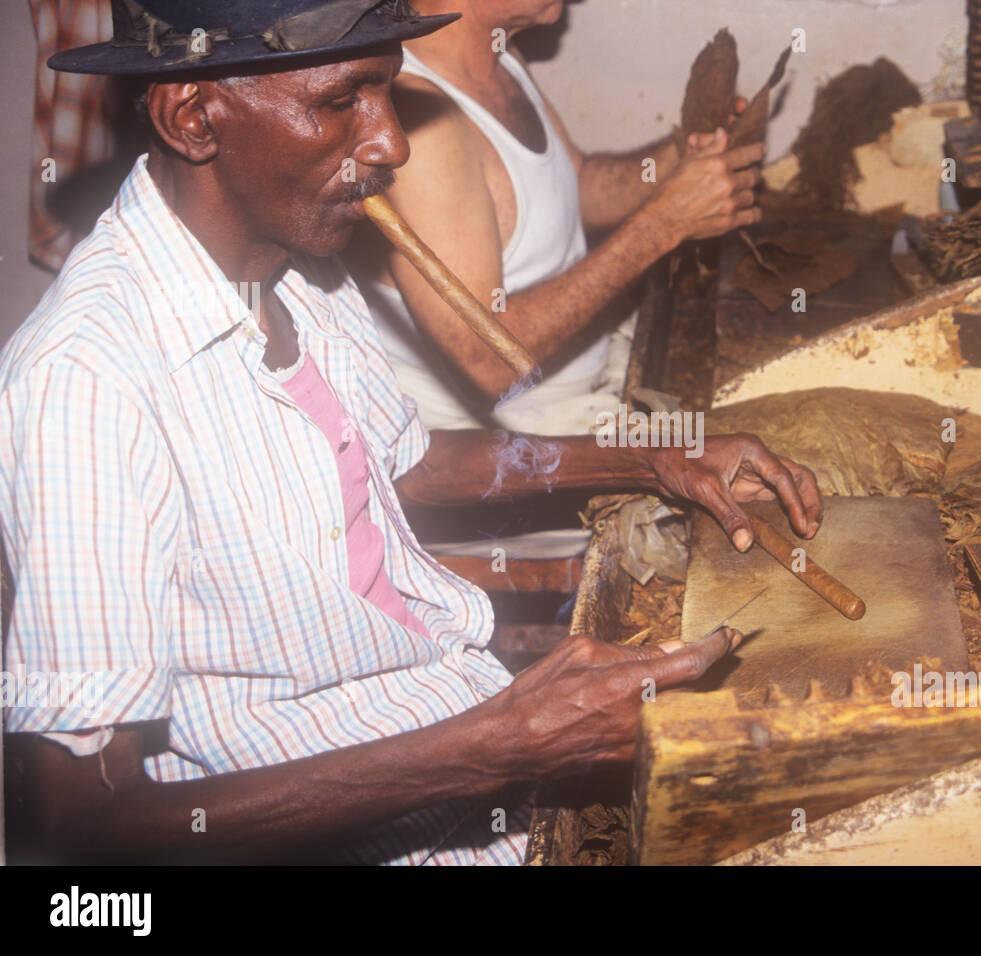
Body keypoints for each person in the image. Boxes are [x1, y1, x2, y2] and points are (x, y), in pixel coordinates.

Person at [0, 0, 821, 865]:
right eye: (340, 101)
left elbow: (415, 462)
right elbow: (88, 823)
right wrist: (490, 747)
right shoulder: (84, 381)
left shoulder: (291, 262)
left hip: (453, 725)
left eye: (387, 91)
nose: (390, 143)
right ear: (195, 118)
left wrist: (653, 459)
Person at [349, 0, 763, 433]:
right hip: (508, 458)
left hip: (585, 392)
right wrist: (666, 224)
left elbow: (576, 186)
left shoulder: (499, 58)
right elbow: (487, 361)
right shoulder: (416, 120)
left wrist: (687, 158)